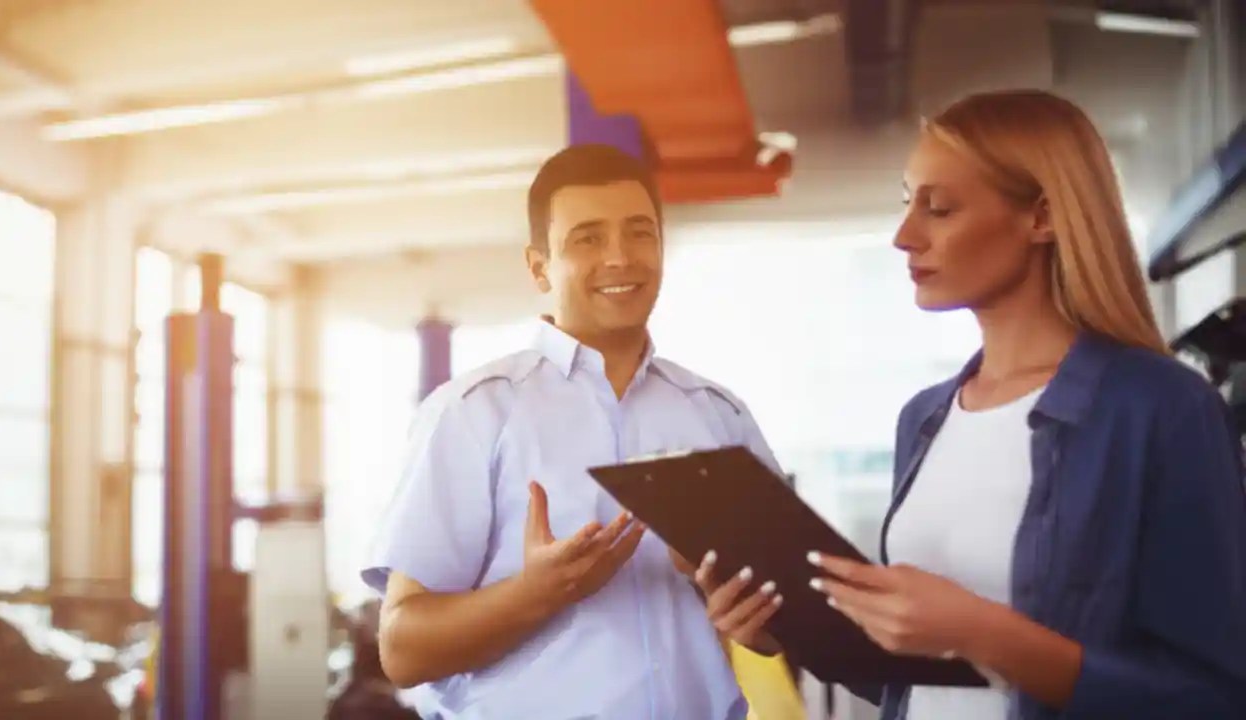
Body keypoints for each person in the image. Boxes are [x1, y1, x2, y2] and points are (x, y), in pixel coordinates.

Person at [702, 89, 1246, 719]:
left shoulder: (1160, 407)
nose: (905, 237)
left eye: (939, 208)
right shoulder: (925, 418)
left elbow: (1215, 696)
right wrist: (783, 632)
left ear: (1041, 217)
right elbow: (915, 681)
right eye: (908, 204)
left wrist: (984, 633)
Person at [361, 143, 785, 719]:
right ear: (539, 267)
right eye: (587, 238)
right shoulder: (475, 413)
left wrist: (737, 603)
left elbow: (785, 626)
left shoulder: (717, 414)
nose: (619, 258)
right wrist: (537, 593)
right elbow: (403, 650)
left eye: (640, 232)